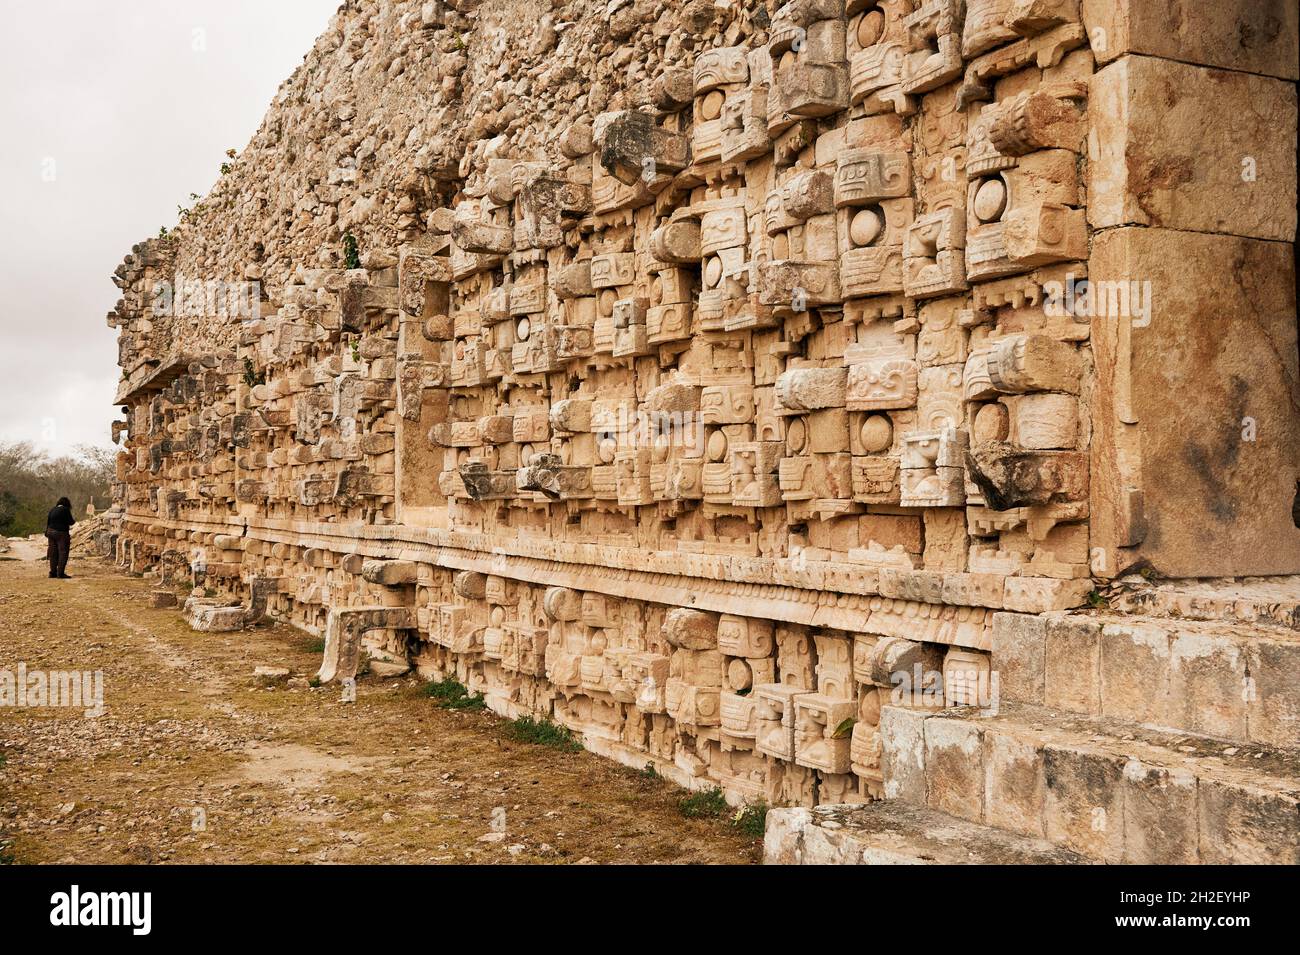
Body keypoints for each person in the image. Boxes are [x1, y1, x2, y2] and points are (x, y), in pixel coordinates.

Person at [45, 496, 75, 579]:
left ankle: (52, 572)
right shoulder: (65, 509)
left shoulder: (52, 509)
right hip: (61, 533)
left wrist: (46, 533)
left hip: (50, 532)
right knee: (63, 552)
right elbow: (71, 522)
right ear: (67, 504)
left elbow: (48, 522)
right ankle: (60, 573)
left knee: (53, 553)